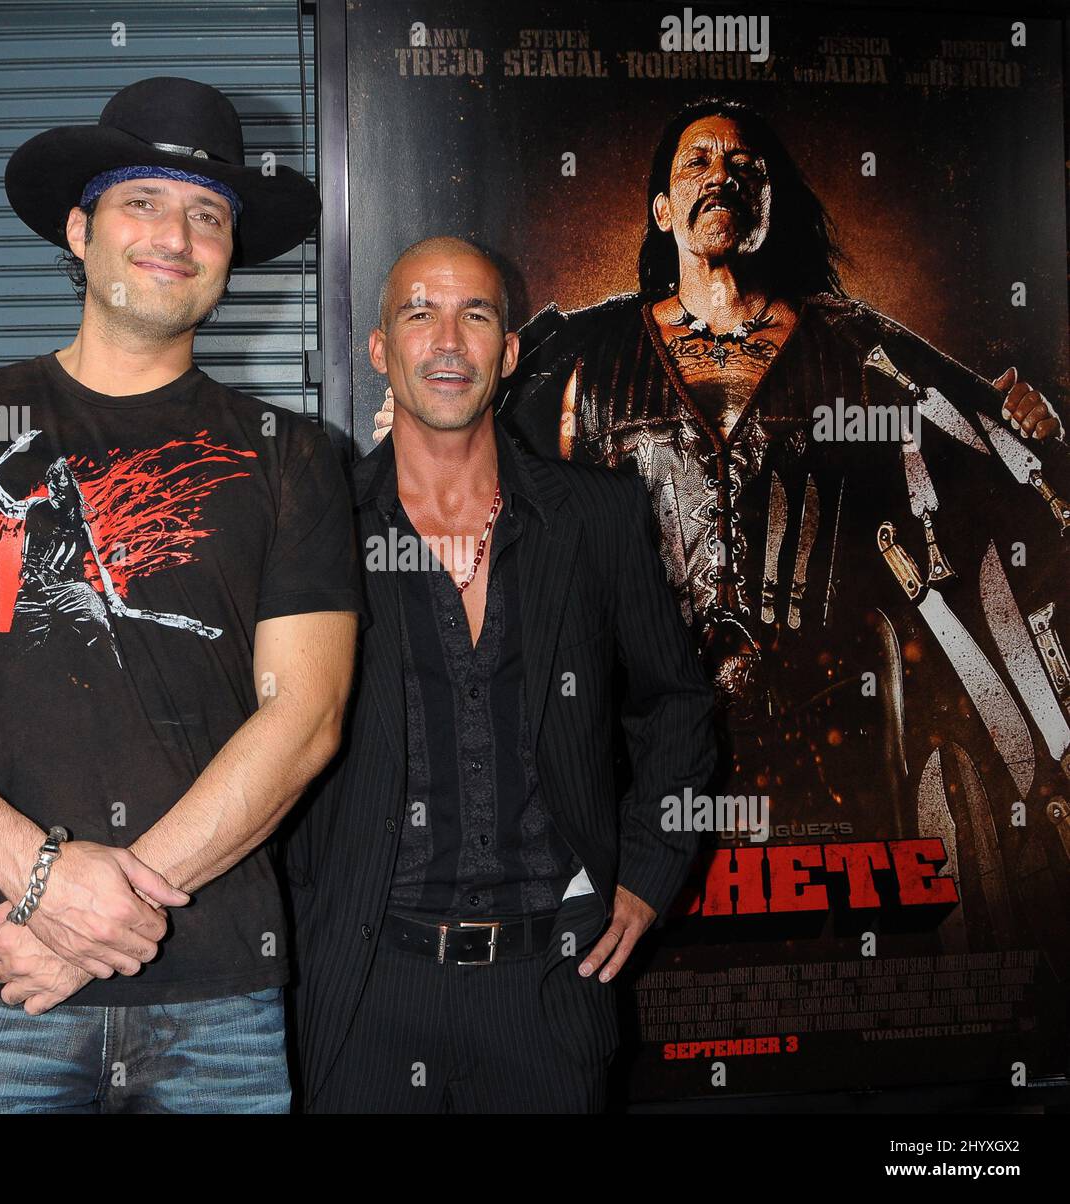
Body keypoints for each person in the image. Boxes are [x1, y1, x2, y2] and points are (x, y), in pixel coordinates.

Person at [372, 99, 1070, 967]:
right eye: (697, 162)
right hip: (635, 713)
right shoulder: (584, 351)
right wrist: (411, 429)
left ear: (769, 205)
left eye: (745, 166)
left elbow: (988, 435)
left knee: (840, 954)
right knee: (639, 948)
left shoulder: (852, 341)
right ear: (662, 209)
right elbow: (472, 461)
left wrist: (1033, 419)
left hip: (832, 711)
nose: (721, 177)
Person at [0, 76, 363, 1113]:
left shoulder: (290, 455)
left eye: (208, 213)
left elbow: (306, 714)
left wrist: (83, 918)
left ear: (229, 256)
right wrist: (40, 880)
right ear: (79, 230)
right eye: (143, 202)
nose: (177, 233)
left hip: (217, 1001)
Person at [284, 236, 717, 1113]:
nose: (449, 341)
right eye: (420, 314)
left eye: (475, 314)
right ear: (379, 349)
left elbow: (679, 705)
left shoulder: (593, 517)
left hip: (548, 992)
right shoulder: (314, 523)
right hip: (368, 992)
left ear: (509, 351)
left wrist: (648, 873)